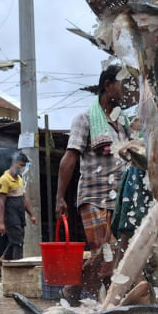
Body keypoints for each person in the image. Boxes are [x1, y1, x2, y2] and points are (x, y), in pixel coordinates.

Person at [56, 64, 131, 300]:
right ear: (108, 85)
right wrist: (60, 197)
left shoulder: (124, 123)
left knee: (114, 256)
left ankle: (74, 290)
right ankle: (104, 303)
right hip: (94, 196)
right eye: (123, 85)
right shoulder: (85, 119)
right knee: (106, 255)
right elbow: (70, 157)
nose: (127, 91)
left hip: (119, 199)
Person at [0, 152, 37, 276]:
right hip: (10, 216)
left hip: (19, 215)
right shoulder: (4, 179)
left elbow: (24, 199)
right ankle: (18, 271)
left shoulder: (20, 180)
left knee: (15, 241)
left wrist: (31, 215)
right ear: (14, 163)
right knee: (18, 243)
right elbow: (1, 202)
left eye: (24, 166)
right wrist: (1, 222)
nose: (22, 168)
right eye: (21, 165)